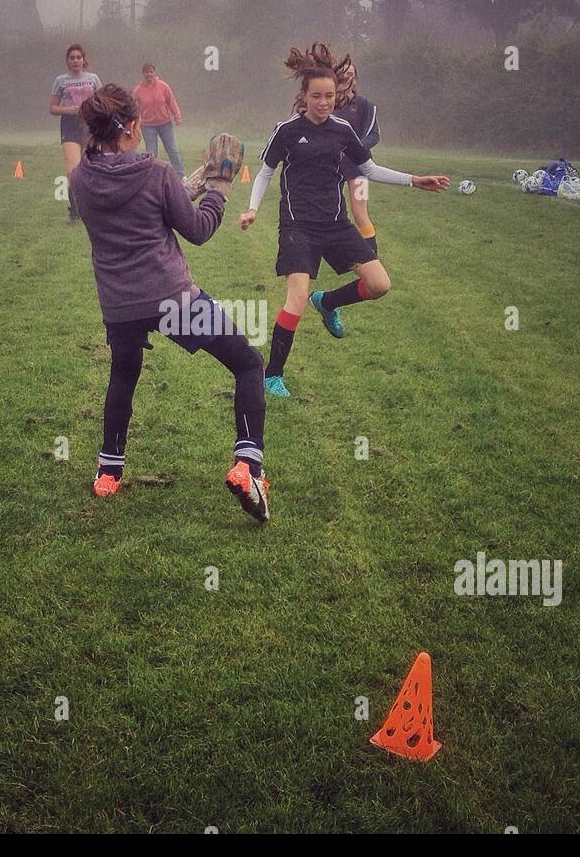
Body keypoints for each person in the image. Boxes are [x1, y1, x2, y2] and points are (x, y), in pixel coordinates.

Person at [71, 84, 269, 521]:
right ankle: (248, 466)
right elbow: (196, 229)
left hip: (119, 305)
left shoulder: (80, 178)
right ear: (134, 126)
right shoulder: (156, 172)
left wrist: (193, 182)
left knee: (123, 377)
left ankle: (108, 472)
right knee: (249, 364)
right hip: (171, 300)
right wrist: (217, 187)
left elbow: (142, 209)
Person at [240, 44, 450, 398]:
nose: (324, 103)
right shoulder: (287, 130)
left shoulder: (342, 130)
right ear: (304, 96)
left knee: (380, 285)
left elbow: (368, 169)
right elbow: (264, 173)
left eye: (330, 96)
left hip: (336, 225)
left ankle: (328, 303)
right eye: (317, 96)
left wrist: (414, 180)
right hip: (298, 227)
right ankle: (272, 376)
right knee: (296, 295)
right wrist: (252, 208)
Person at [48, 43, 102, 224]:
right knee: (73, 167)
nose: (76, 60)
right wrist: (68, 110)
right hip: (70, 124)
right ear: (67, 61)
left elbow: (102, 101)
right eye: (72, 58)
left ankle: (92, 207)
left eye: (79, 57)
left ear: (84, 60)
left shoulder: (93, 78)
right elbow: (52, 108)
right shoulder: (61, 80)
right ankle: (75, 211)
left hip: (89, 123)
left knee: (89, 165)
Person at [333, 59, 381, 256]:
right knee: (332, 212)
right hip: (331, 166)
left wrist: (355, 148)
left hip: (358, 168)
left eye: (351, 73)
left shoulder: (364, 105)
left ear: (355, 78)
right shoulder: (327, 102)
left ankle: (371, 256)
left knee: (360, 213)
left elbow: (374, 135)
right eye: (343, 73)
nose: (347, 76)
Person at [133, 62, 185, 174]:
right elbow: (135, 109)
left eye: (151, 71)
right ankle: (153, 176)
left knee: (172, 149)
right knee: (151, 153)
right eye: (146, 72)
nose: (149, 74)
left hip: (165, 123)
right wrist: (135, 124)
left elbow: (171, 102)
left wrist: (177, 116)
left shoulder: (163, 86)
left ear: (154, 73)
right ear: (143, 74)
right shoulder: (138, 90)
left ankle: (181, 175)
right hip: (148, 126)